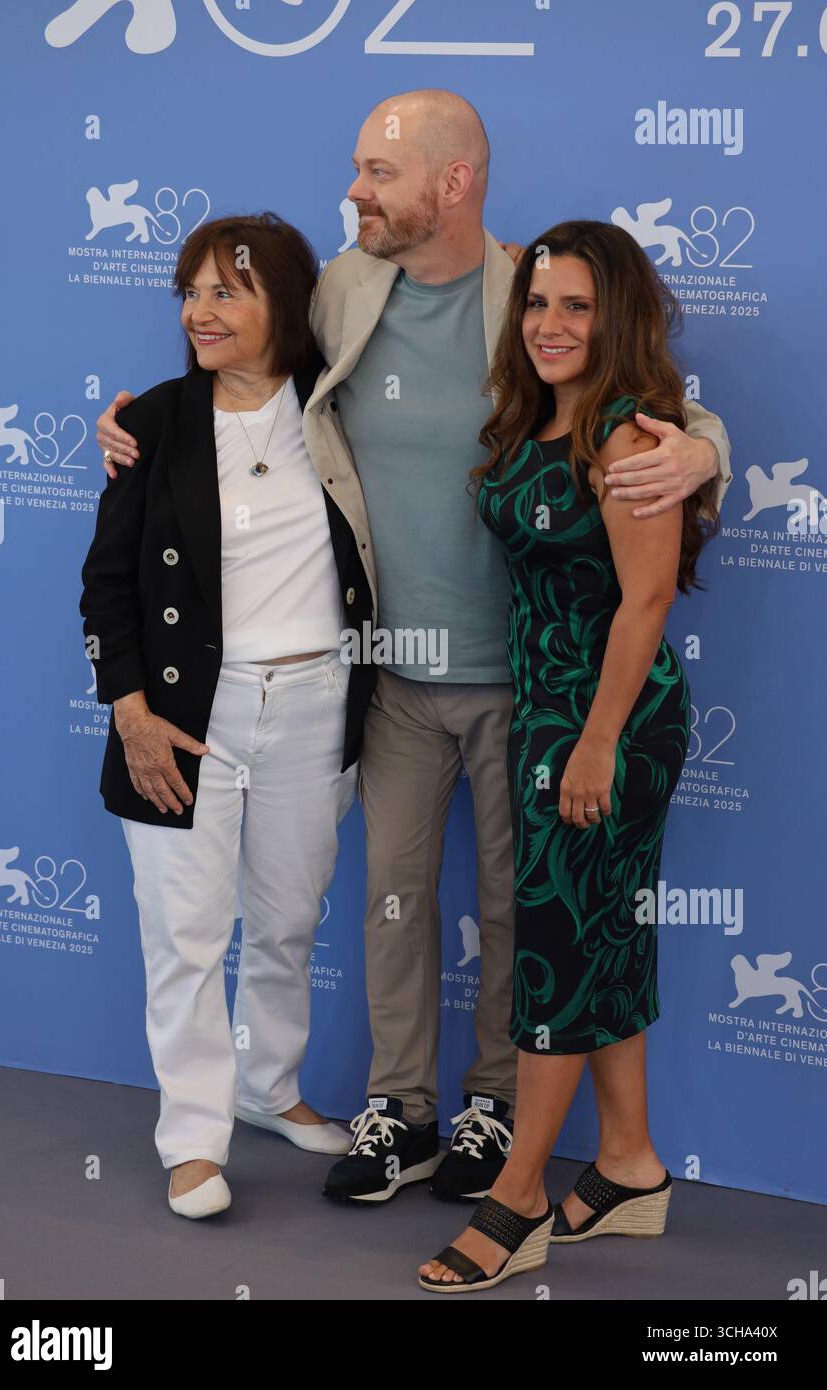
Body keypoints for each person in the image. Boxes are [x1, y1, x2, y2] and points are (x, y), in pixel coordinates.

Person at [95, 89, 733, 1207]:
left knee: (510, 905)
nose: (353, 191)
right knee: (389, 902)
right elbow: (241, 369)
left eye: (376, 174)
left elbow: (637, 384)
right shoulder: (345, 289)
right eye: (355, 169)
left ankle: (491, 1105)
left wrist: (700, 451)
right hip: (386, 675)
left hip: (525, 681)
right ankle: (402, 1109)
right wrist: (141, 422)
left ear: (451, 184)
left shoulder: (528, 295)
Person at [418, 221, 720, 1291]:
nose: (549, 323)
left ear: (616, 318)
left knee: (550, 953)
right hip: (550, 717)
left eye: (576, 306)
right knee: (600, 938)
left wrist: (593, 742)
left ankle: (519, 1194)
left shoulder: (634, 441)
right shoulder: (538, 420)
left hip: (610, 725)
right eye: (536, 302)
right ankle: (630, 1165)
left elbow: (642, 603)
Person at [80, 213, 375, 1218]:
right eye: (190, 292)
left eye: (226, 292)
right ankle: (194, 1138)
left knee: (288, 918)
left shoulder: (339, 412)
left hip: (315, 706)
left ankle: (269, 1086)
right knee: (186, 932)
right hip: (181, 717)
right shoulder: (153, 422)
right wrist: (130, 711)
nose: (200, 312)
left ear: (283, 306)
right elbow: (105, 585)